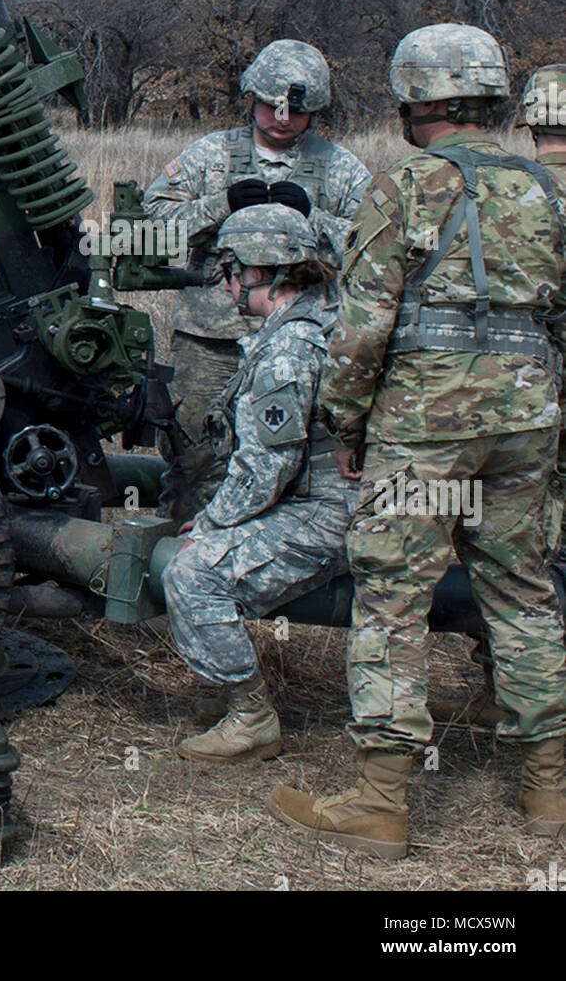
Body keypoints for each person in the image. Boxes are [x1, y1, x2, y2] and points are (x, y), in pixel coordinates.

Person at [268, 23, 566, 859]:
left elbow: (362, 331)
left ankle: (381, 802)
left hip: (425, 426)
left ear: (420, 98)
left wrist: (348, 424)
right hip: (526, 417)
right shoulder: (548, 192)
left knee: (392, 596)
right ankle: (547, 789)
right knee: (523, 591)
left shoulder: (404, 187)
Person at [143, 40, 370, 526]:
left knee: (292, 456)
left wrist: (316, 219)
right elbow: (146, 226)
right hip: (210, 340)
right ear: (252, 96)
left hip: (303, 342)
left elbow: (375, 245)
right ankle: (175, 567)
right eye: (273, 105)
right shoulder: (210, 155)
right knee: (195, 457)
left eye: (297, 110)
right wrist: (219, 205)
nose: (283, 118)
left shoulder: (340, 168)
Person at [162, 203, 355, 765]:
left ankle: (251, 716)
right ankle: (219, 689)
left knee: (193, 572)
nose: (226, 284)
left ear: (261, 271)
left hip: (326, 512)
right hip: (329, 501)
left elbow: (269, 466)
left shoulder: (289, 349)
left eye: (231, 269)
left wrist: (215, 521)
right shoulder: (321, 320)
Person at [433, 62, 566, 732]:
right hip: (544, 402)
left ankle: (503, 693)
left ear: (531, 123)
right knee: (537, 568)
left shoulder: (509, 188)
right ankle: (533, 720)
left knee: (507, 555)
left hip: (503, 403)